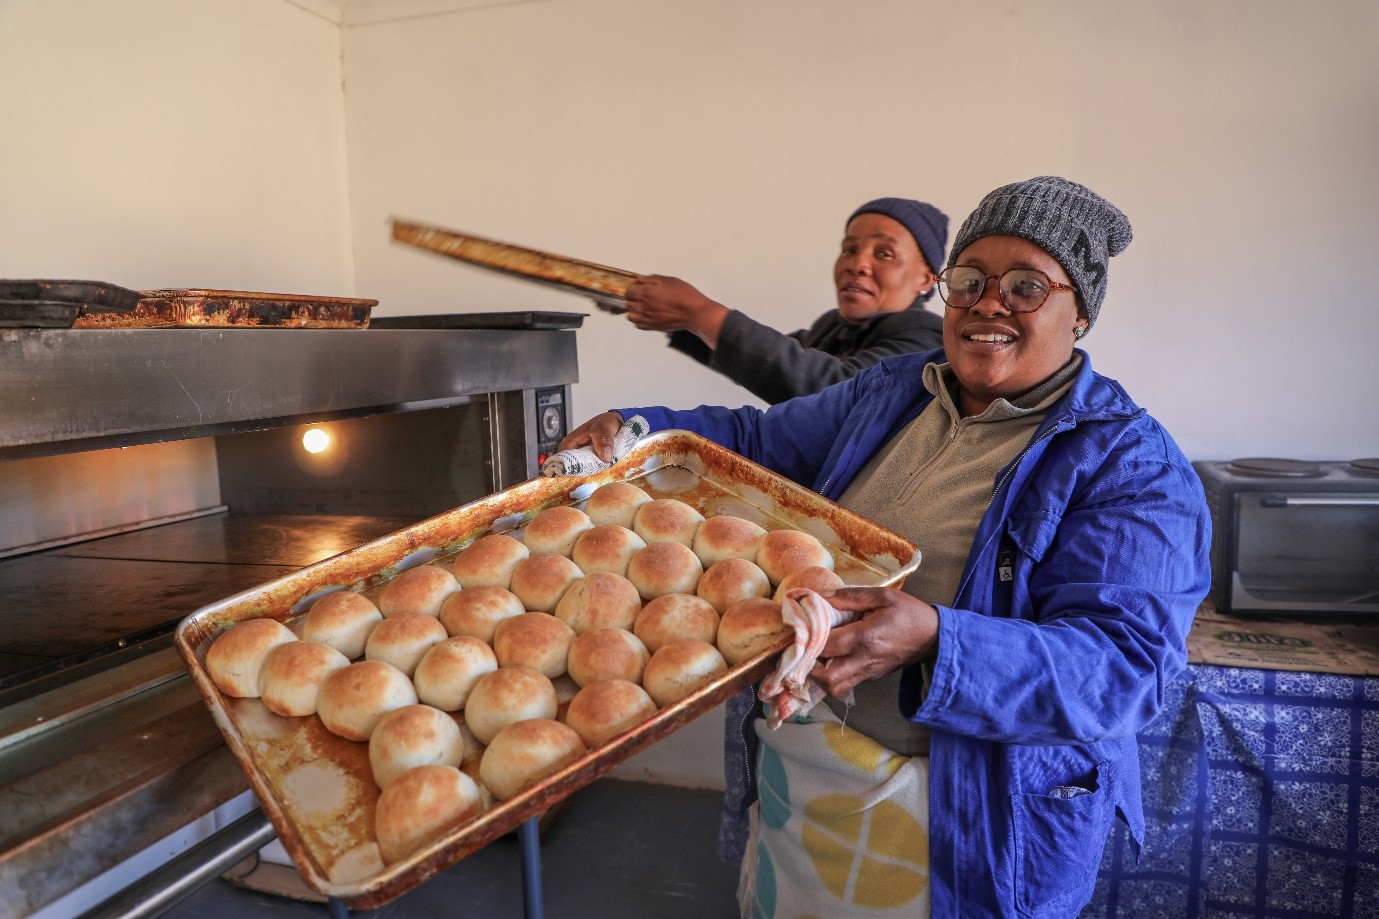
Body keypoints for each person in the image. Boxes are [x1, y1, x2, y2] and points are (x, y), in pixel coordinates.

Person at [558, 176, 1212, 918]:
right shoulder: (896, 389)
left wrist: (938, 637)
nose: (987, 303)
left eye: (1026, 285)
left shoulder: (1127, 464)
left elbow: (1126, 669)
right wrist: (635, 428)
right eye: (969, 280)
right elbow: (754, 444)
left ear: (1081, 310)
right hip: (806, 772)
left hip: (971, 814)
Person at [619, 197, 948, 403]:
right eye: (849, 249)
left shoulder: (927, 341)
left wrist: (700, 311)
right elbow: (774, 359)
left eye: (884, 253)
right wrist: (674, 317)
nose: (857, 264)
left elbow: (837, 389)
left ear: (925, 279)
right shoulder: (834, 325)